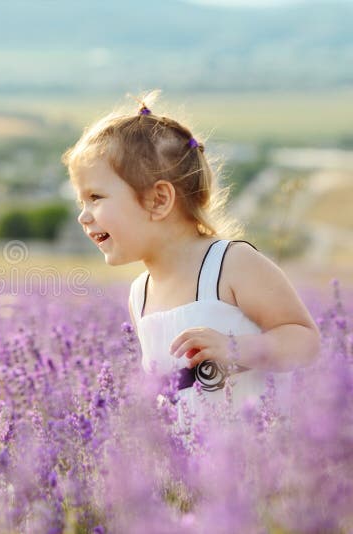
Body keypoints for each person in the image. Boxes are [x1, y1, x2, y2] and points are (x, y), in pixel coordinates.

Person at [62, 92, 319, 421]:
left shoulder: (231, 265)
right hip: (188, 452)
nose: (83, 216)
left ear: (158, 200)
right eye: (81, 202)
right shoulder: (140, 294)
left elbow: (304, 340)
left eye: (95, 197)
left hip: (256, 445)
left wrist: (238, 348)